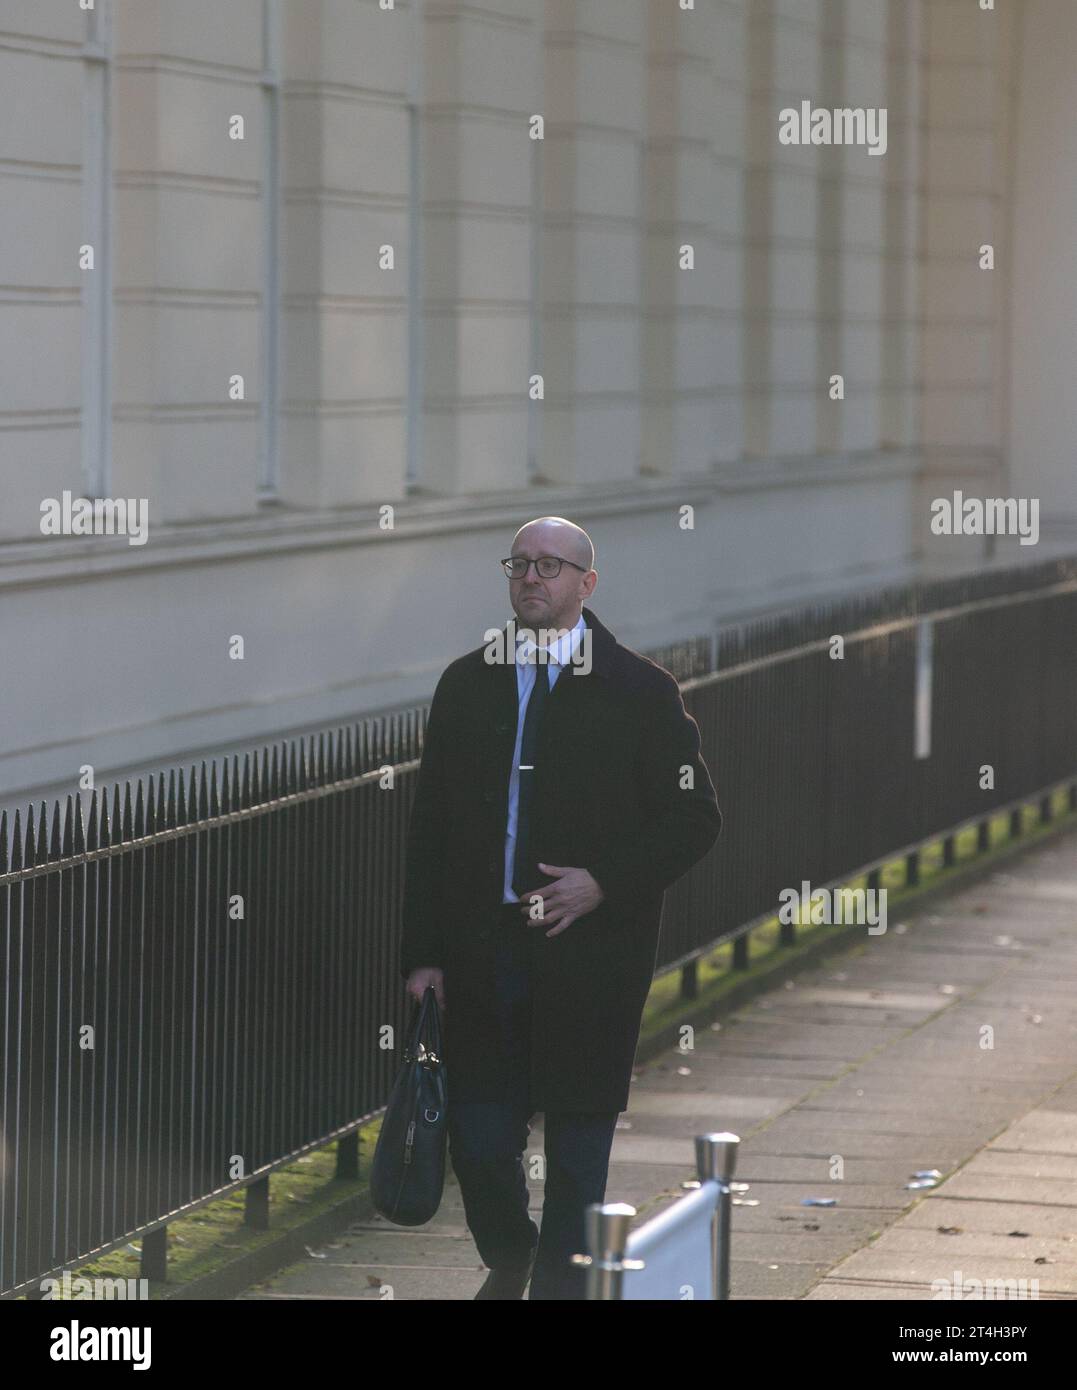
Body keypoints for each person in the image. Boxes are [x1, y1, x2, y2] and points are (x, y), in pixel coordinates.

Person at [399, 515, 722, 1299]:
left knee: (578, 1151)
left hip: (589, 952)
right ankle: (512, 1253)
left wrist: (603, 880)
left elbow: (693, 818)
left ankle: (561, 1287)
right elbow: (431, 831)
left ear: (587, 583)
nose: (532, 577)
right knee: (479, 1140)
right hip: (484, 949)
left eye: (551, 565)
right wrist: (423, 956)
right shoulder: (467, 682)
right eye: (520, 564)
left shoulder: (640, 692)